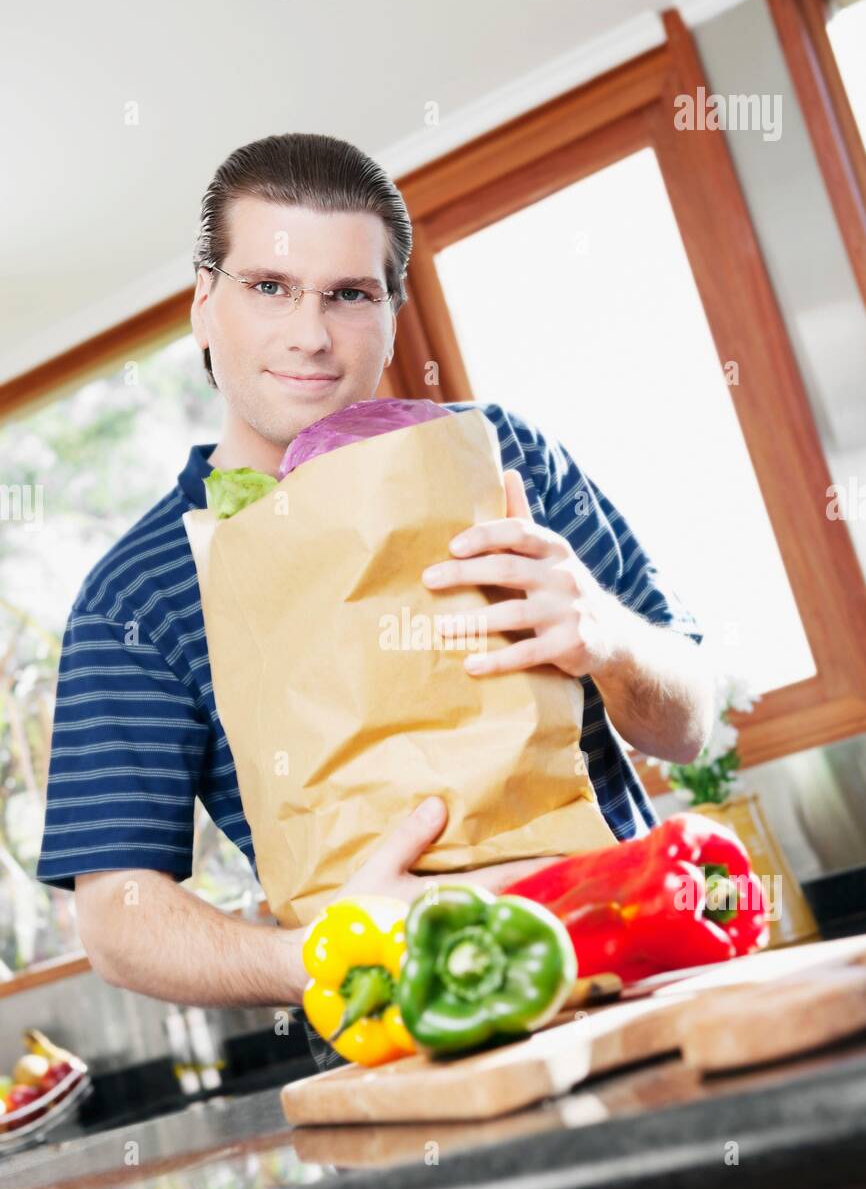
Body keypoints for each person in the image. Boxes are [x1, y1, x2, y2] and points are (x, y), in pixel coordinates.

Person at [36, 133, 713, 1072]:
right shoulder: (136, 592)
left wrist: (611, 641)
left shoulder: (503, 458)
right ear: (204, 301)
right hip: (408, 1050)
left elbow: (692, 723)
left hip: (647, 972)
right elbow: (117, 915)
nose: (310, 334)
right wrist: (325, 953)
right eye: (269, 286)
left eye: (350, 294)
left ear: (392, 312)